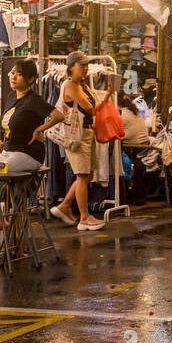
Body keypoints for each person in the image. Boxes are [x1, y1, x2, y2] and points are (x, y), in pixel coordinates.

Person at [0, 59, 53, 239]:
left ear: (31, 79)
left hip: (29, 154)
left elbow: (58, 115)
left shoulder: (34, 100)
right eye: (12, 72)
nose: (13, 76)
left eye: (19, 73)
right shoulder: (10, 97)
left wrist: (39, 129)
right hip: (9, 152)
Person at [41, 52, 108, 231]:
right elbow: (89, 108)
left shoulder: (82, 85)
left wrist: (108, 95)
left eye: (86, 65)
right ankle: (84, 218)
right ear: (71, 67)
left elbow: (94, 108)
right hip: (77, 136)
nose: (85, 69)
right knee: (82, 175)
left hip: (86, 133)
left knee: (86, 175)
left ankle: (64, 206)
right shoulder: (70, 84)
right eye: (82, 65)